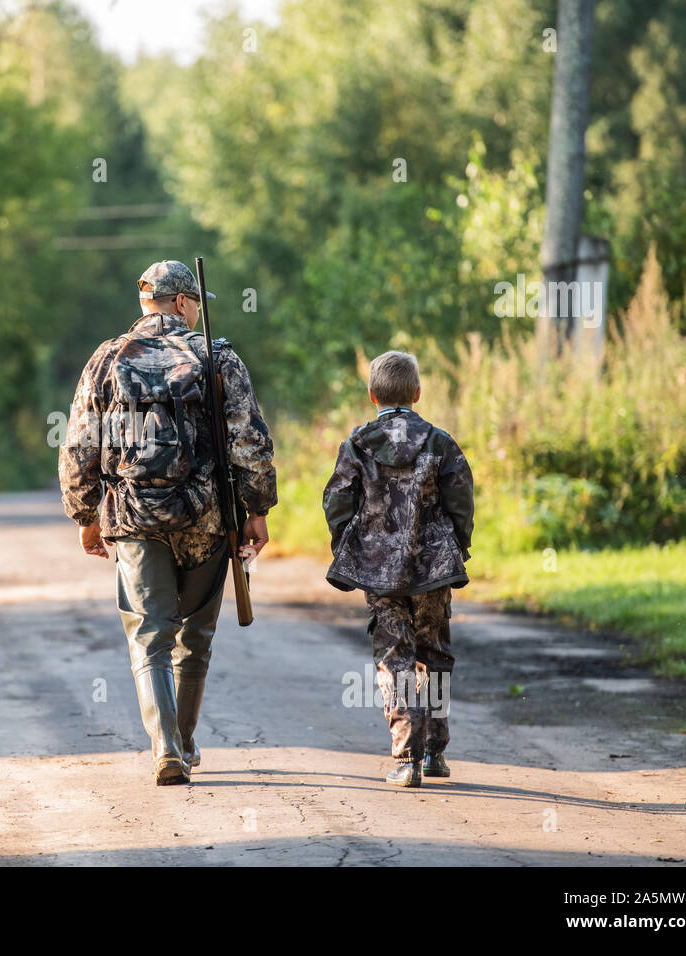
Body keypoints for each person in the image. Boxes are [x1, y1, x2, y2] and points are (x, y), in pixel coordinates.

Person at [59, 260, 277, 785]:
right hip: (204, 516)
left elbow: (80, 444)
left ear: (145, 303)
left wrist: (85, 513)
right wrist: (257, 509)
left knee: (148, 634)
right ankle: (183, 737)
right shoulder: (216, 357)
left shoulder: (107, 359)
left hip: (133, 514)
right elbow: (248, 440)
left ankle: (166, 748)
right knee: (195, 634)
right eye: (197, 302)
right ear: (182, 302)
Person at [322, 350, 474, 787]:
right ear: (418, 394)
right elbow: (461, 501)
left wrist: (349, 546)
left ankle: (405, 760)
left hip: (379, 571)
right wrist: (455, 547)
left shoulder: (357, 444)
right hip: (434, 571)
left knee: (396, 659)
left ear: (372, 395)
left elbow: (336, 501)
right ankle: (435, 754)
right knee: (435, 655)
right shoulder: (439, 441)